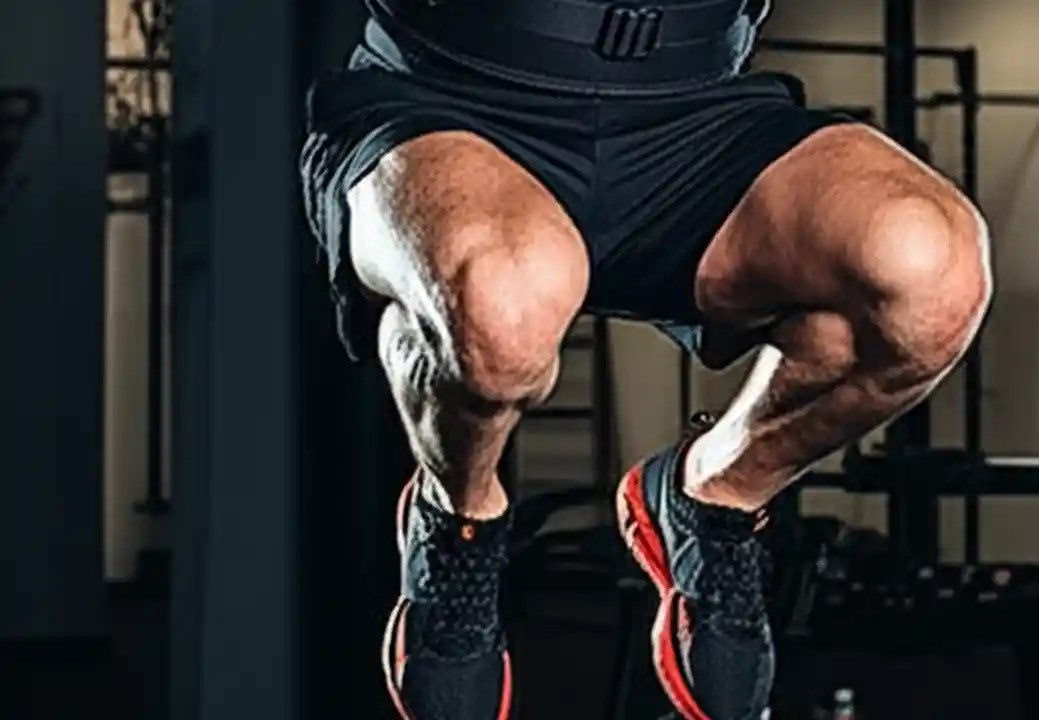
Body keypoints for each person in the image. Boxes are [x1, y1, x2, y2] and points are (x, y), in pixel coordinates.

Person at [300, 0, 991, 717]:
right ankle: (457, 520)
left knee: (933, 276)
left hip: (698, 117)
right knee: (499, 311)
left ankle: (718, 494)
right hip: (452, 101)